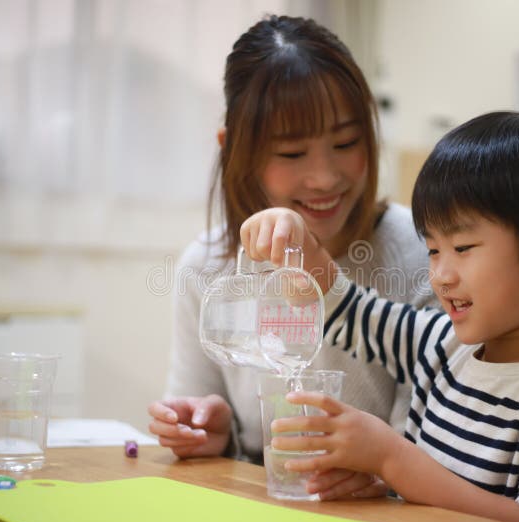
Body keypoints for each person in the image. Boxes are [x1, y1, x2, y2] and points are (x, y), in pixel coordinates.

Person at [241, 111, 519, 522]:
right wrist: (297, 241)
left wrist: (392, 461)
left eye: (462, 247)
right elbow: (346, 309)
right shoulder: (442, 342)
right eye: (433, 250)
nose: (441, 275)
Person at [147, 14, 433, 476]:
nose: (324, 177)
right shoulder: (206, 265)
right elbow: (196, 409)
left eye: (346, 141)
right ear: (233, 150)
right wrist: (215, 436)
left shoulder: (421, 254)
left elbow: (427, 456)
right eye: (291, 153)